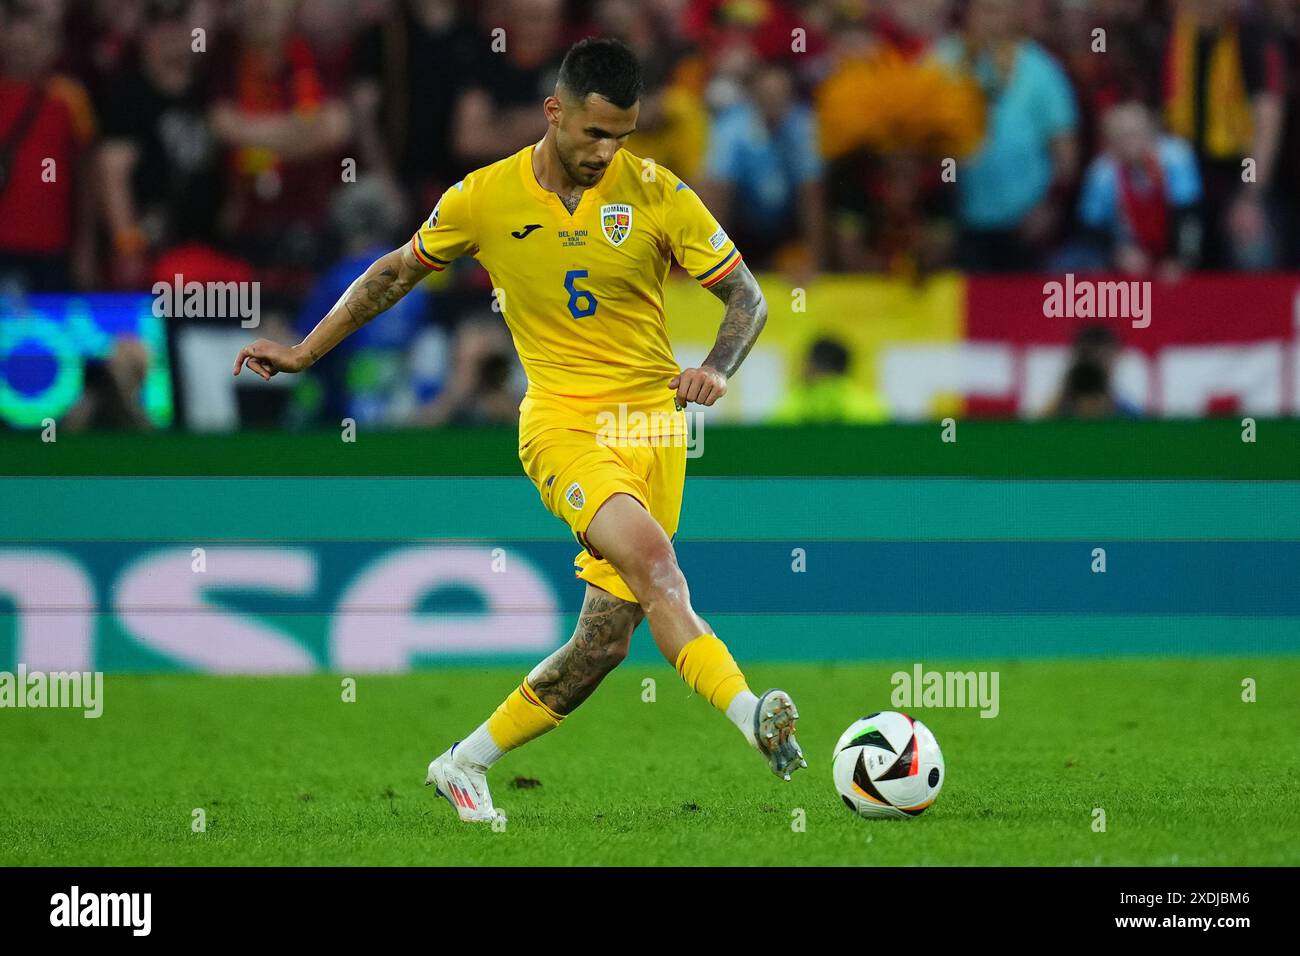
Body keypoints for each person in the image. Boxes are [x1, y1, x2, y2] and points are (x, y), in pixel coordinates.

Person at [232, 38, 804, 823]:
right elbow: (395, 271)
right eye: (595, 133)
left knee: (603, 645)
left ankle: (464, 763)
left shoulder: (657, 193)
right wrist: (304, 351)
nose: (608, 152)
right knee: (655, 561)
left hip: (655, 429)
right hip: (562, 423)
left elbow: (749, 297)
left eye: (623, 137)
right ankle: (755, 717)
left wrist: (718, 366)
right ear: (554, 112)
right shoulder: (483, 198)